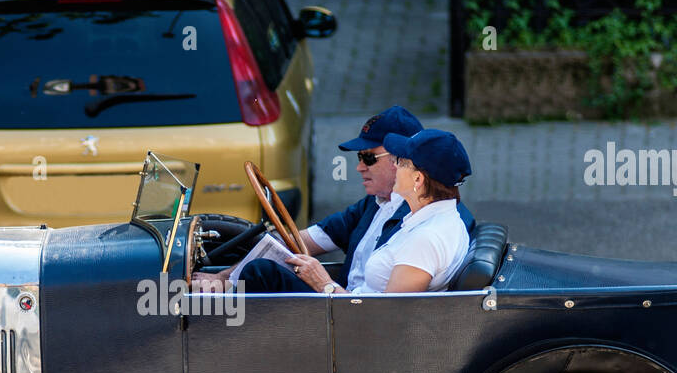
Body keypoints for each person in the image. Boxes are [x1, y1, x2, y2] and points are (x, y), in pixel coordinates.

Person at [192, 106, 473, 292]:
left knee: (260, 273)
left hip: (346, 324)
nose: (358, 167)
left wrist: (325, 284)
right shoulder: (382, 206)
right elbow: (302, 241)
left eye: (368, 157)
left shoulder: (429, 231)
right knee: (259, 266)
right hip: (343, 307)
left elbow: (388, 318)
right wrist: (224, 276)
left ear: (418, 178)